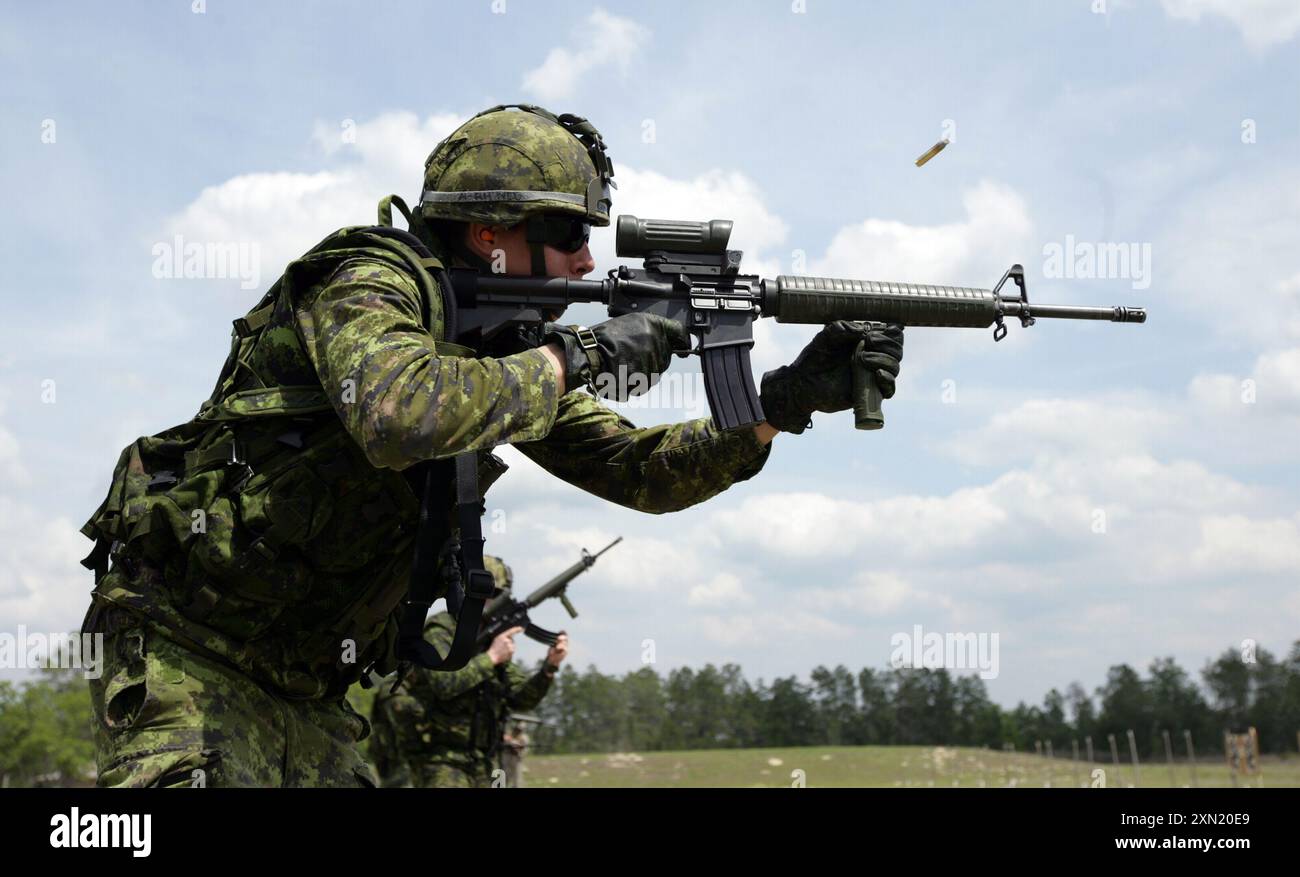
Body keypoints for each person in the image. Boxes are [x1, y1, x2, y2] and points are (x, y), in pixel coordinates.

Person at [79, 103, 904, 787]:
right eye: (571, 232)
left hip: (310, 689)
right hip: (193, 654)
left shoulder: (502, 350)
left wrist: (780, 403)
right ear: (491, 232)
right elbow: (402, 409)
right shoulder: (369, 276)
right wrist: (592, 349)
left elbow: (639, 471)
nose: (587, 260)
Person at [369, 556, 561, 788]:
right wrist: (492, 658)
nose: (491, 602)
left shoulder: (492, 638)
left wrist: (549, 668)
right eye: (486, 594)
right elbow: (444, 683)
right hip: (439, 758)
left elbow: (520, 699)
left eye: (498, 596)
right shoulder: (441, 630)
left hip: (483, 760)